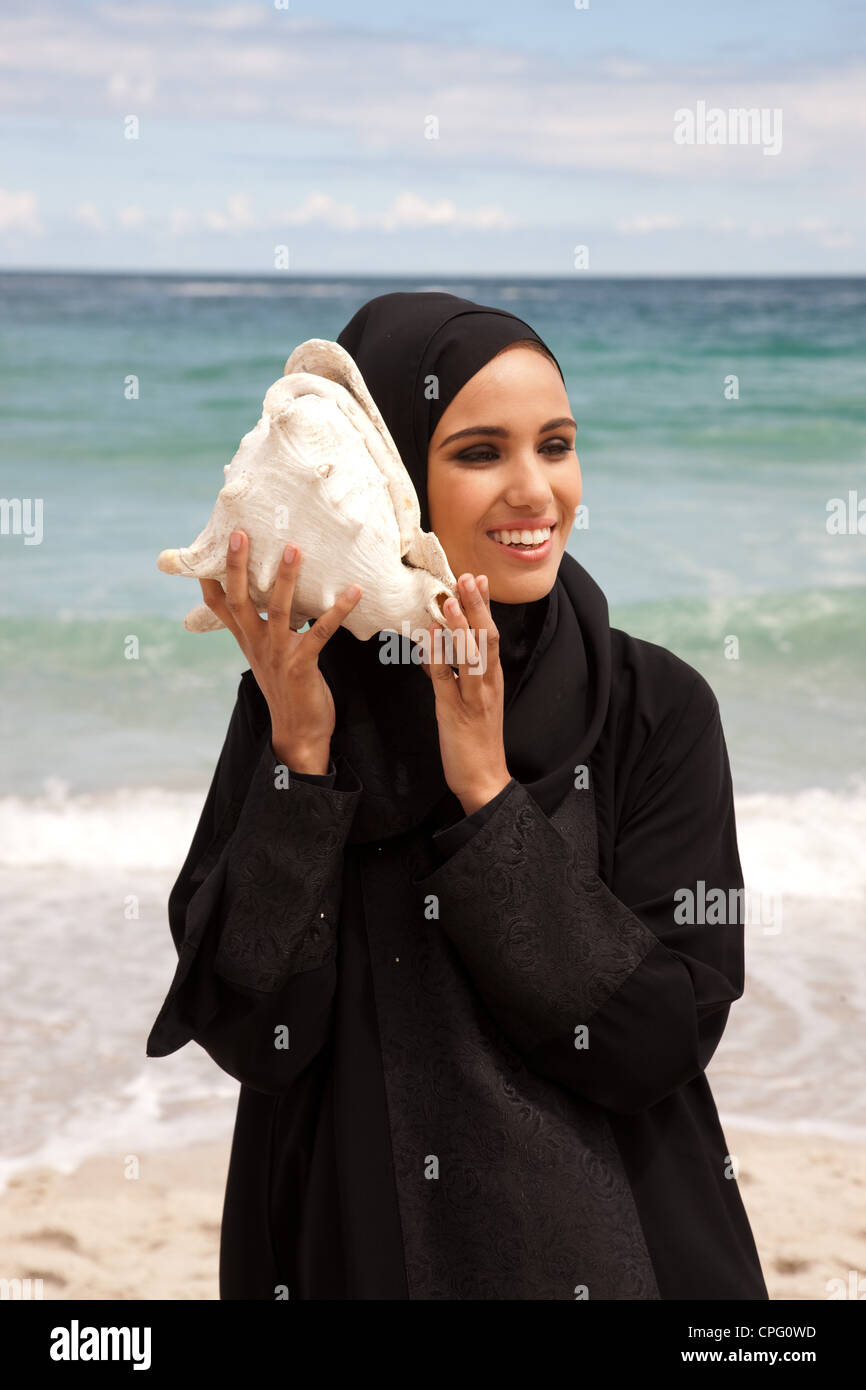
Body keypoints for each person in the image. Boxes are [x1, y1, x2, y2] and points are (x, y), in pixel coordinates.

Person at [146, 291, 769, 1301]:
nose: (534, 490)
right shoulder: (302, 696)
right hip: (353, 1240)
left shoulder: (654, 706)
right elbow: (256, 1030)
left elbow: (655, 1040)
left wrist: (485, 793)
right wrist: (300, 758)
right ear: (396, 485)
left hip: (617, 1248)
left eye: (555, 445)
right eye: (480, 452)